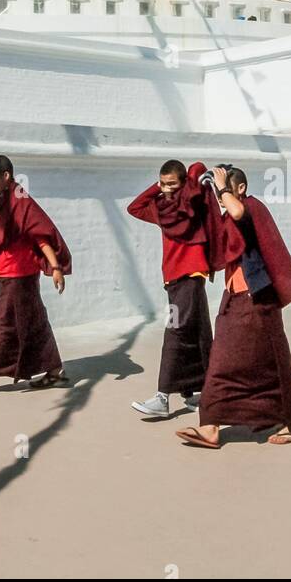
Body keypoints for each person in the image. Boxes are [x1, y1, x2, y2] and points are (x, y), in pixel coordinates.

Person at [177, 166, 291, 450]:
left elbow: (236, 212)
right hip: (234, 299)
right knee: (224, 363)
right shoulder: (231, 212)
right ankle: (210, 426)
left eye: (225, 190)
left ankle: (288, 421)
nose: (221, 197)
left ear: (241, 188)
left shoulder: (251, 207)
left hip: (258, 300)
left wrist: (222, 185)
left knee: (272, 362)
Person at [0, 156, 71, 396]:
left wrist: (56, 267)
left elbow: (40, 234)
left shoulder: (20, 200)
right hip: (9, 273)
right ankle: (54, 370)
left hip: (20, 274)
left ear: (6, 176)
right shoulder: (3, 201)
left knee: (4, 326)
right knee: (35, 322)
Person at [127, 160, 224, 419]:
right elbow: (134, 207)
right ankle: (200, 391)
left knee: (175, 330)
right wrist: (158, 188)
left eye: (173, 184)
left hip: (190, 276)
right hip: (174, 278)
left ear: (183, 183)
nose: (167, 189)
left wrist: (191, 179)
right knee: (198, 332)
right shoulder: (163, 208)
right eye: (163, 183)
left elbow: (197, 167)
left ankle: (162, 397)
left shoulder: (193, 201)